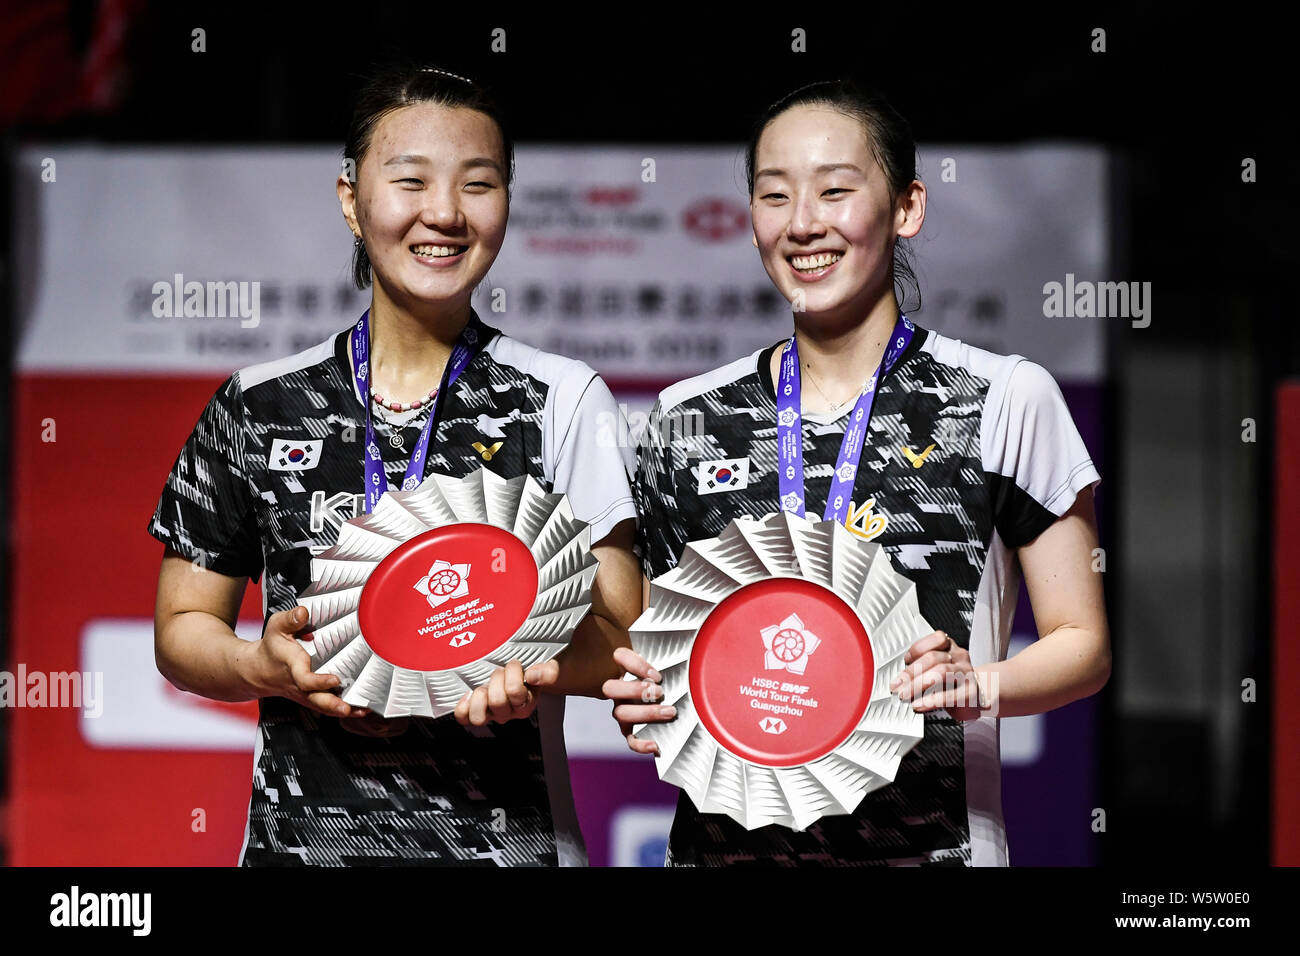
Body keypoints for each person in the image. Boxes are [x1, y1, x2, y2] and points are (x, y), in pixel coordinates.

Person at [604, 79, 1111, 866]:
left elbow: (1083, 644)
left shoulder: (1004, 398)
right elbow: (659, 647)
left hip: (932, 848)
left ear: (907, 207)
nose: (804, 223)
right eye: (775, 197)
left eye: (836, 191)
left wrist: (978, 685)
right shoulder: (682, 418)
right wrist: (646, 699)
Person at [149, 62, 640, 867]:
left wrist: (533, 662)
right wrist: (258, 665)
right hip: (299, 849)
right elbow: (181, 627)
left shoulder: (563, 400)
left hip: (511, 848)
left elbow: (624, 635)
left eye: (478, 183)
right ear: (351, 198)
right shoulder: (257, 405)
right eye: (410, 180)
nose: (444, 213)